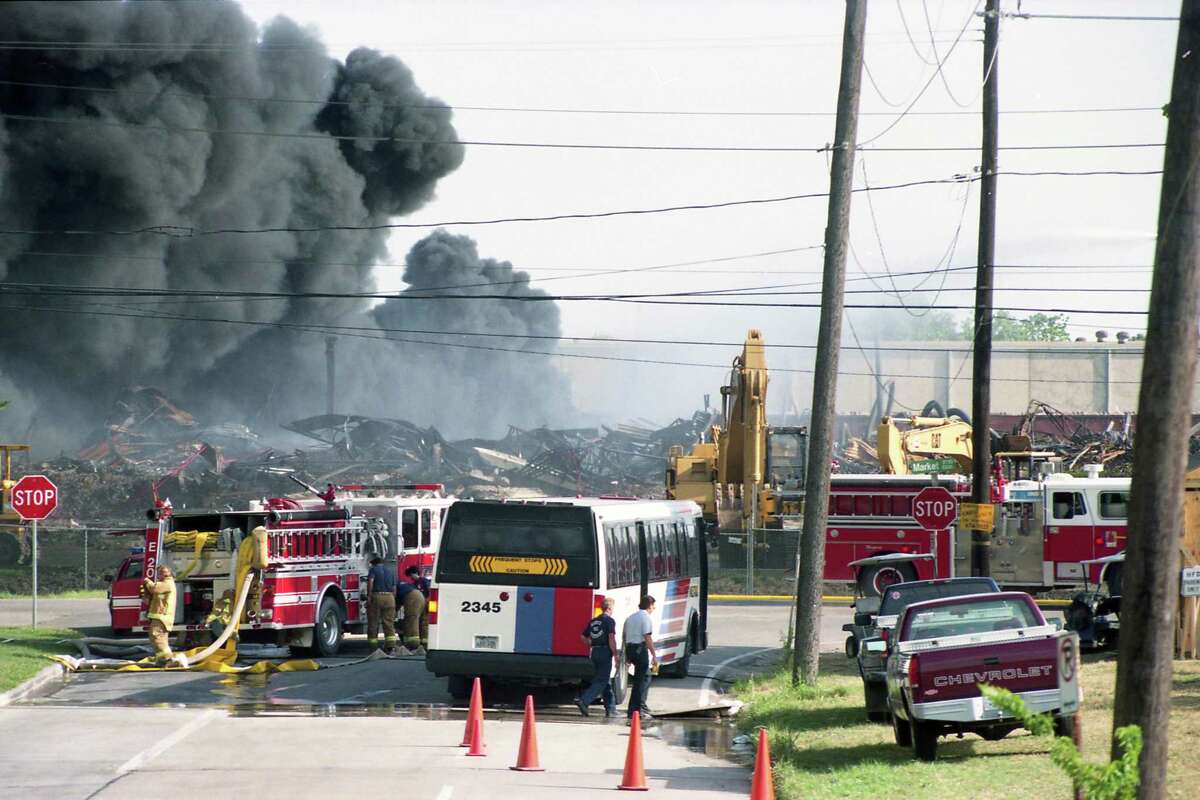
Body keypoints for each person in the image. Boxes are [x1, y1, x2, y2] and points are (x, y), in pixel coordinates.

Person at [575, 597, 619, 717]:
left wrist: (592, 643)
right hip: (605, 652)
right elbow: (611, 638)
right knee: (602, 680)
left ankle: (611, 709)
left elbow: (583, 637)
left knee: (605, 680)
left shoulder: (593, 621)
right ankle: (584, 700)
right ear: (609, 608)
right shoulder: (609, 621)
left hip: (595, 652)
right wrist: (615, 654)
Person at [623, 595, 658, 721]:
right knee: (640, 681)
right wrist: (653, 655)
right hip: (640, 650)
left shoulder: (630, 618)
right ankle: (637, 710)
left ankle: (637, 708)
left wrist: (627, 656)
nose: (654, 608)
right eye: (653, 605)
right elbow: (647, 637)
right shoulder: (646, 618)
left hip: (630, 649)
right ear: (649, 606)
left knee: (645, 677)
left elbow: (624, 635)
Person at [141, 565, 177, 660]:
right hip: (160, 617)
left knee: (156, 636)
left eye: (163, 572)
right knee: (160, 640)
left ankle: (167, 659)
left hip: (162, 617)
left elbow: (154, 588)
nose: (161, 574)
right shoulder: (163, 584)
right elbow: (152, 598)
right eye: (160, 572)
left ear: (168, 573)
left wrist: (147, 581)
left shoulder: (168, 583)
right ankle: (163, 659)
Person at [365, 557, 398, 653]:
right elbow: (394, 587)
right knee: (389, 623)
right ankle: (391, 647)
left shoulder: (373, 570)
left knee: (373, 622)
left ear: (374, 563)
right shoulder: (390, 571)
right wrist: (393, 599)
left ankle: (373, 648)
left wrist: (369, 596)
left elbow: (370, 582)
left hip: (377, 597)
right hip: (390, 598)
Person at [396, 565, 428, 654]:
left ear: (414, 573)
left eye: (410, 576)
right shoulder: (412, 584)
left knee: (412, 620)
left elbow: (397, 602)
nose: (410, 578)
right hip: (422, 600)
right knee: (422, 622)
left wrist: (394, 613)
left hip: (419, 600)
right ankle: (424, 643)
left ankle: (414, 645)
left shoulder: (423, 581)